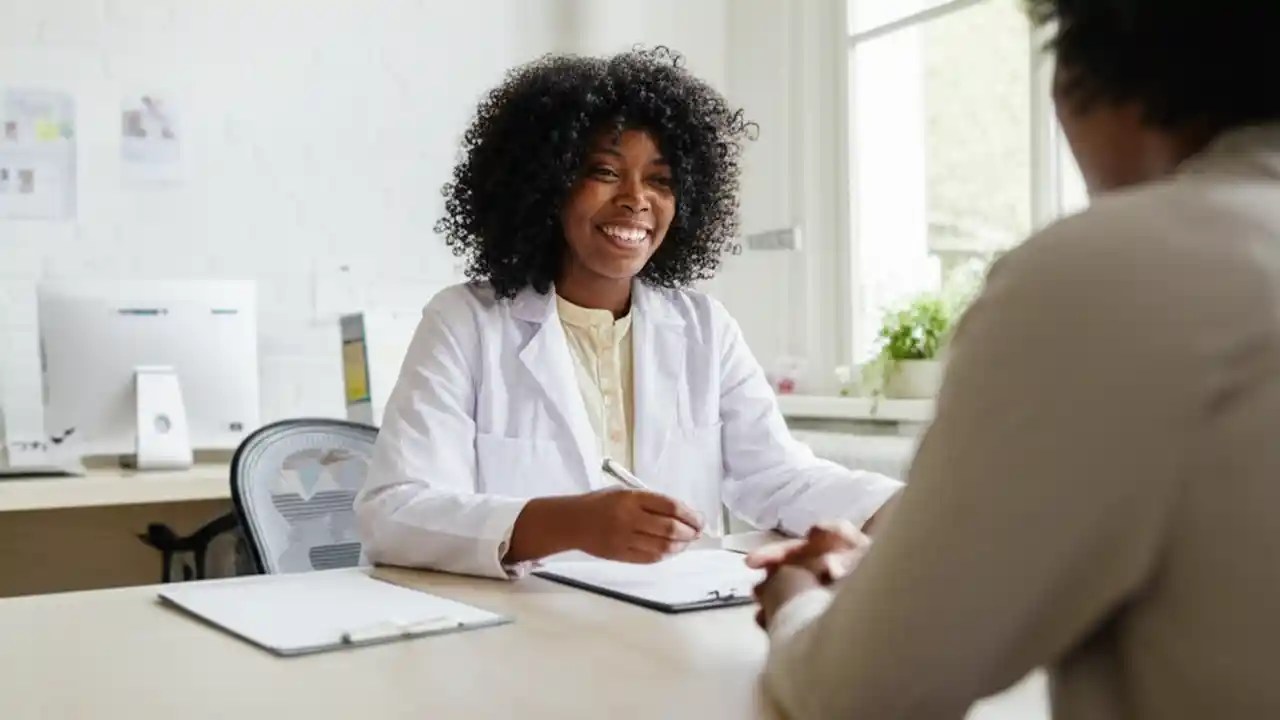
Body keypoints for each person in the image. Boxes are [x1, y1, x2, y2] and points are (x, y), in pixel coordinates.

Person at [750, 2, 1280, 718]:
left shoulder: (1117, 269)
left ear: (1085, 77)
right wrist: (913, 570)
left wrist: (798, 602)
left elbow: (859, 691)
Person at [355, 48, 902, 579]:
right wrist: (571, 522)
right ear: (548, 184)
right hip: (522, 619)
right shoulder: (465, 323)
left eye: (660, 180)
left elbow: (781, 476)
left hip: (670, 615)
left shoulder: (705, 329)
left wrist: (909, 511)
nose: (637, 199)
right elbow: (395, 513)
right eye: (605, 171)